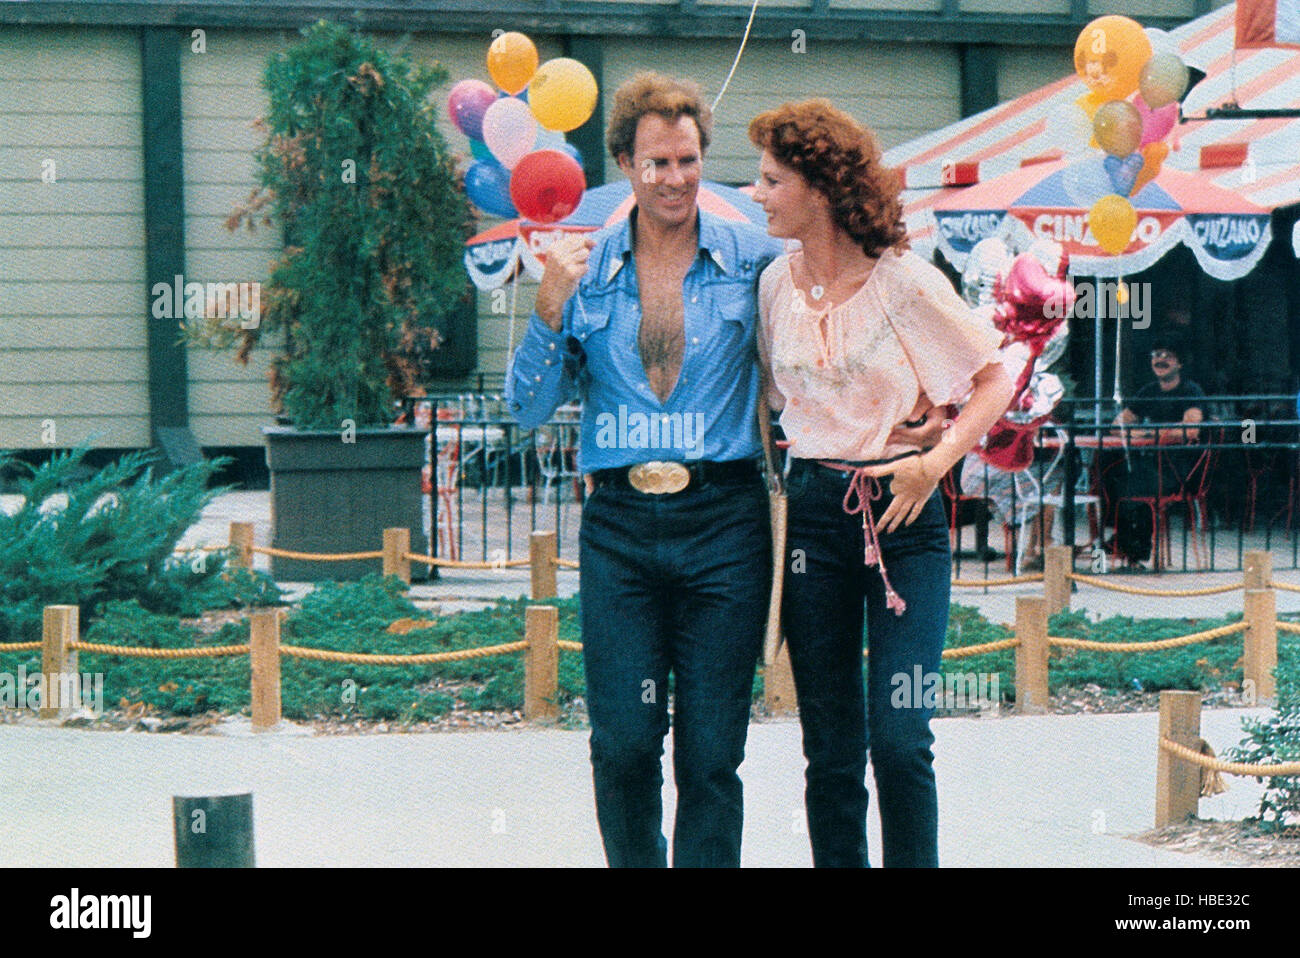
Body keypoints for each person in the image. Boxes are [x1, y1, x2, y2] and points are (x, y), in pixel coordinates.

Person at [749, 99, 1014, 867]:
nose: (758, 194)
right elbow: (776, 399)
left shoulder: (904, 282)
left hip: (906, 515)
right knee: (829, 749)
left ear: (820, 187)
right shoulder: (772, 285)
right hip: (812, 517)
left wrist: (938, 456)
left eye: (771, 180)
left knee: (901, 738)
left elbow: (996, 378)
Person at [1106, 336, 1206, 564]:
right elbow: (1116, 426)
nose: (1160, 360)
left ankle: (1134, 550)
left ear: (1179, 363)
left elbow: (1191, 430)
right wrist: (1147, 434)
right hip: (1152, 463)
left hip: (1182, 469)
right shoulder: (1148, 390)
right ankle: (1122, 542)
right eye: (1156, 355)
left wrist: (1149, 434)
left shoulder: (1190, 391)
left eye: (1167, 356)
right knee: (1110, 474)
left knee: (1135, 485)